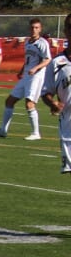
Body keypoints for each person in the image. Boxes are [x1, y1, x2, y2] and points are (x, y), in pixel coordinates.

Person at [0, 17, 52, 140]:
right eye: (32, 27)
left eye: (36, 28)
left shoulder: (42, 43)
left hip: (36, 77)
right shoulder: (28, 42)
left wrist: (35, 68)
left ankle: (36, 133)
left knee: (29, 104)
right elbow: (28, 59)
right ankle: (3, 130)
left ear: (40, 29)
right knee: (9, 101)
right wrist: (22, 70)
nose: (34, 30)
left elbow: (48, 59)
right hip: (26, 76)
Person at [40, 13, 71, 173]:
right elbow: (46, 92)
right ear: (66, 30)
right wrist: (52, 103)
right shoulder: (57, 63)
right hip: (68, 128)